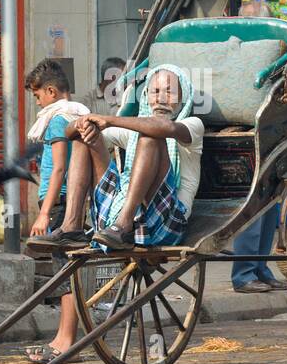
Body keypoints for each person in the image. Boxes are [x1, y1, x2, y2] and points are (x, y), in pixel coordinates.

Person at [32, 64, 204, 252]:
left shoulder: (193, 125)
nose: (161, 98)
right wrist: (84, 122)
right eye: (155, 91)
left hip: (167, 221)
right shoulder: (136, 129)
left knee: (151, 137)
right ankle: (72, 228)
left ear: (183, 96)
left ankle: (125, 224)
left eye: (169, 92)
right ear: (146, 96)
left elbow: (164, 127)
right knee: (85, 136)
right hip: (117, 217)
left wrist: (110, 119)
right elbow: (69, 132)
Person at [22, 59, 89, 363]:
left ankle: (66, 341)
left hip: (59, 201)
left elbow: (60, 168)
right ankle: (62, 338)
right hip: (61, 200)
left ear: (50, 91)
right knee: (63, 269)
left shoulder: (59, 118)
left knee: (65, 269)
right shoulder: (72, 113)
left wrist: (44, 212)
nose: (37, 101)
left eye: (37, 96)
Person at [228, 0, 286, 292]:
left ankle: (260, 267)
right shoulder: (232, 50)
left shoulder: (275, 50)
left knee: (270, 201)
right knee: (253, 202)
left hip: (272, 130)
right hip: (246, 132)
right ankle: (245, 273)